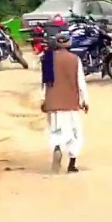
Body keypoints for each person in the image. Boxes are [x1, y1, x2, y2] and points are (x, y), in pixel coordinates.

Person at [40, 33, 89, 174]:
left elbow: (44, 82)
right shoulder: (75, 59)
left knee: (55, 130)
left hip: (53, 102)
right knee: (74, 132)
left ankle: (56, 147)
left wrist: (43, 99)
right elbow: (80, 82)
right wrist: (85, 100)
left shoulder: (48, 58)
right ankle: (72, 164)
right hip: (71, 102)